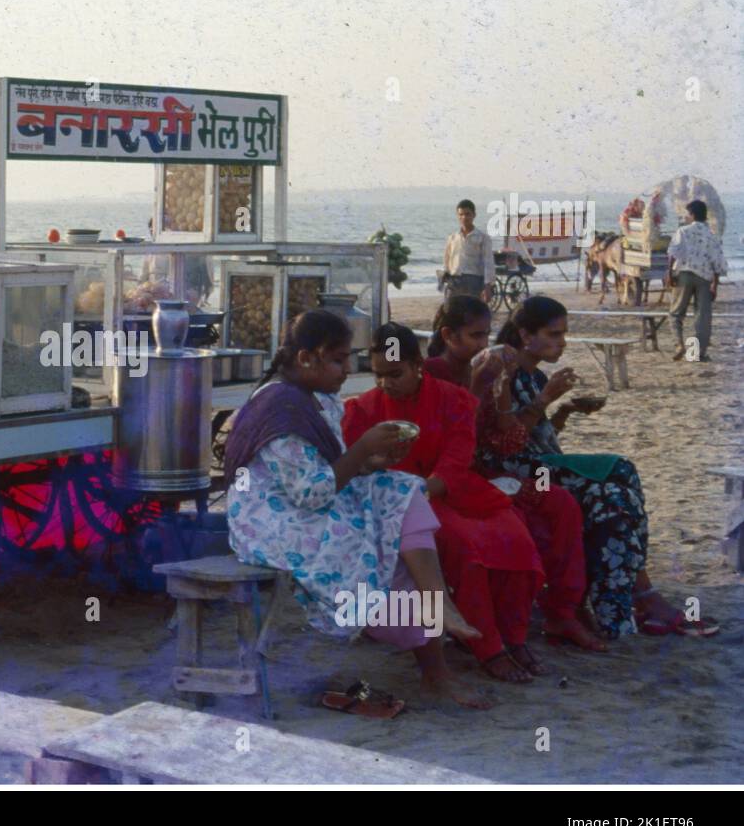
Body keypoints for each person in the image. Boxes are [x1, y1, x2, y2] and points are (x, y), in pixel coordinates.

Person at [224, 310, 488, 712]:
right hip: (271, 523)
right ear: (306, 358)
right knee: (369, 549)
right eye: (339, 359)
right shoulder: (281, 408)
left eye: (349, 358)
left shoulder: (316, 397)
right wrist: (363, 450)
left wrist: (370, 463)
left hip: (305, 507)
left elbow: (329, 472)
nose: (348, 370)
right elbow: (310, 493)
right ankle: (434, 658)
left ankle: (436, 605)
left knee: (400, 492)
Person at [478, 296, 715, 638]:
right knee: (620, 472)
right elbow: (508, 445)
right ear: (525, 335)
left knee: (615, 497)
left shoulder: (533, 375)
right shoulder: (507, 373)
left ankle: (626, 603)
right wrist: (546, 398)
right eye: (554, 334)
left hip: (540, 466)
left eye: (564, 334)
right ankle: (634, 600)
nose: (562, 342)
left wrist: (563, 412)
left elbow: (536, 439)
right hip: (517, 475)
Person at [344, 323, 548, 682]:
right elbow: (354, 467)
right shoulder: (363, 409)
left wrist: (428, 487)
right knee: (467, 552)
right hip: (404, 504)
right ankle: (487, 646)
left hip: (454, 490)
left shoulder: (452, 400)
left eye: (395, 374)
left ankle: (514, 637)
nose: (386, 384)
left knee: (517, 539)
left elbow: (458, 456)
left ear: (417, 364)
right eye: (378, 375)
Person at [425, 296, 606, 652]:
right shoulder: (435, 373)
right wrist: (487, 385)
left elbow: (508, 440)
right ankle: (508, 631)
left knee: (563, 503)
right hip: (458, 476)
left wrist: (510, 389)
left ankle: (564, 610)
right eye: (476, 336)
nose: (484, 344)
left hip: (495, 471)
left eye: (485, 335)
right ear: (449, 336)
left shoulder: (503, 373)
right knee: (534, 509)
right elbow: (457, 439)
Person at [667, 199, 728, 362]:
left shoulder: (683, 231)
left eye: (688, 213)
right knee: (702, 317)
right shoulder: (712, 235)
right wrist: (715, 285)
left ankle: (679, 344)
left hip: (684, 275)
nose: (687, 216)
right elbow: (717, 262)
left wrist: (669, 274)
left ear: (692, 214)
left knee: (675, 313)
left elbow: (673, 253)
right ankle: (697, 353)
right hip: (704, 278)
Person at [442, 199, 495, 304]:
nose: (464, 217)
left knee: (471, 316)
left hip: (474, 282)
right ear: (457, 215)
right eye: (461, 214)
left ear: (474, 215)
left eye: (467, 214)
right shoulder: (452, 238)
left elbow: (488, 262)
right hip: (455, 281)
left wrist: (488, 286)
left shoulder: (483, 237)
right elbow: (447, 259)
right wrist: (446, 276)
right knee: (451, 313)